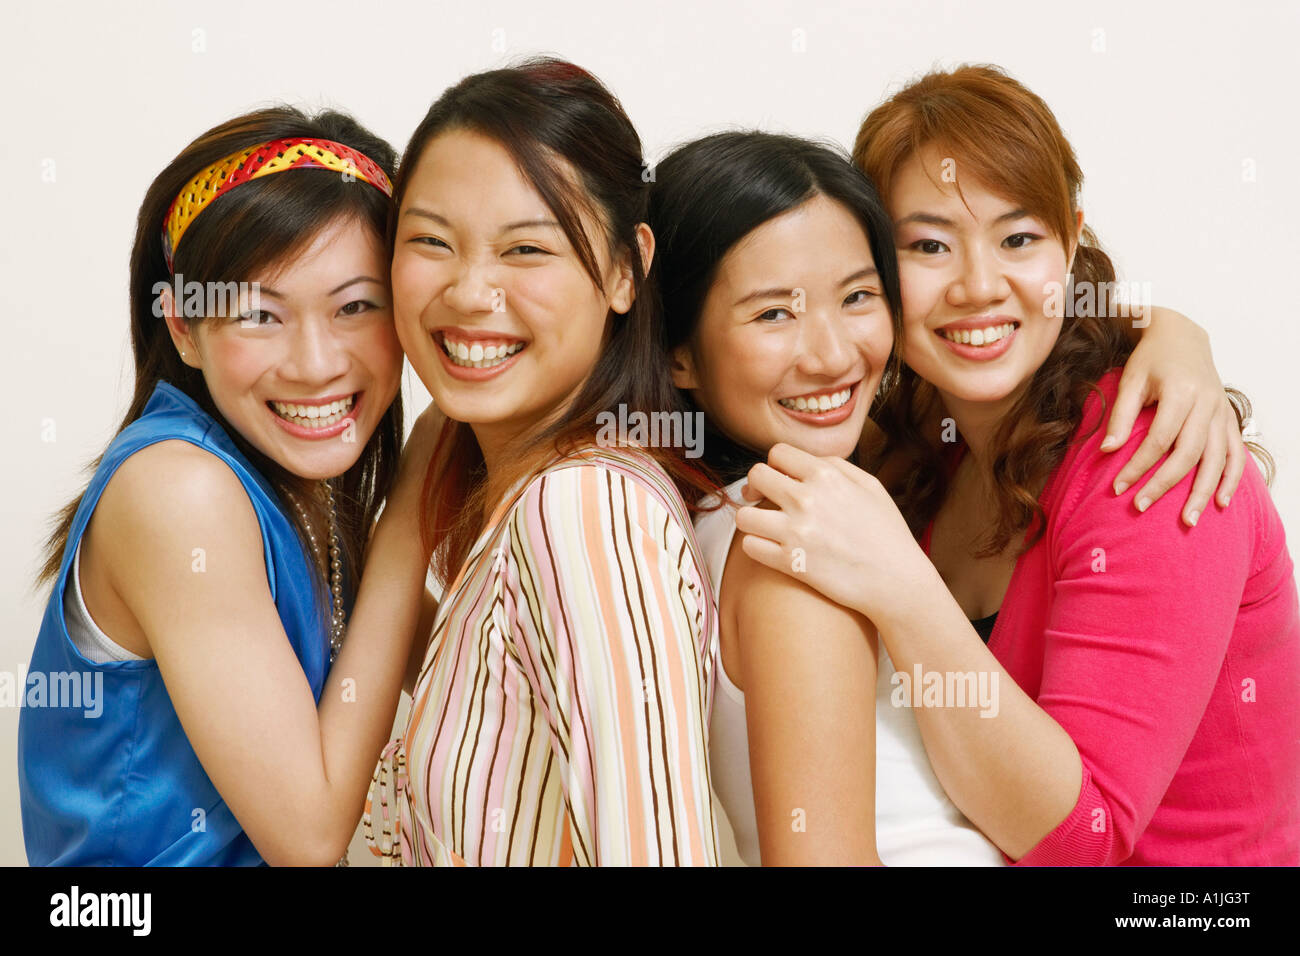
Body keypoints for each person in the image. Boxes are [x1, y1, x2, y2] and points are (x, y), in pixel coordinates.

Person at [735, 65, 1300, 865]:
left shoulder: (1154, 460)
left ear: (1070, 243)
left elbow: (1085, 845)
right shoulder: (911, 440)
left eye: (1019, 238)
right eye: (929, 245)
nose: (976, 285)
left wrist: (904, 588)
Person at [20, 107, 441, 866]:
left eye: (355, 306)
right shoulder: (181, 494)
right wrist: (414, 498)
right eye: (258, 314)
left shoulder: (297, 487)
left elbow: (466, 670)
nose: (315, 363)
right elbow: (309, 838)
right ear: (184, 328)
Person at [365, 58, 719, 866]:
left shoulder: (587, 512)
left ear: (626, 269)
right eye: (430, 241)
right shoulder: (510, 506)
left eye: (526, 249)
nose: (470, 291)